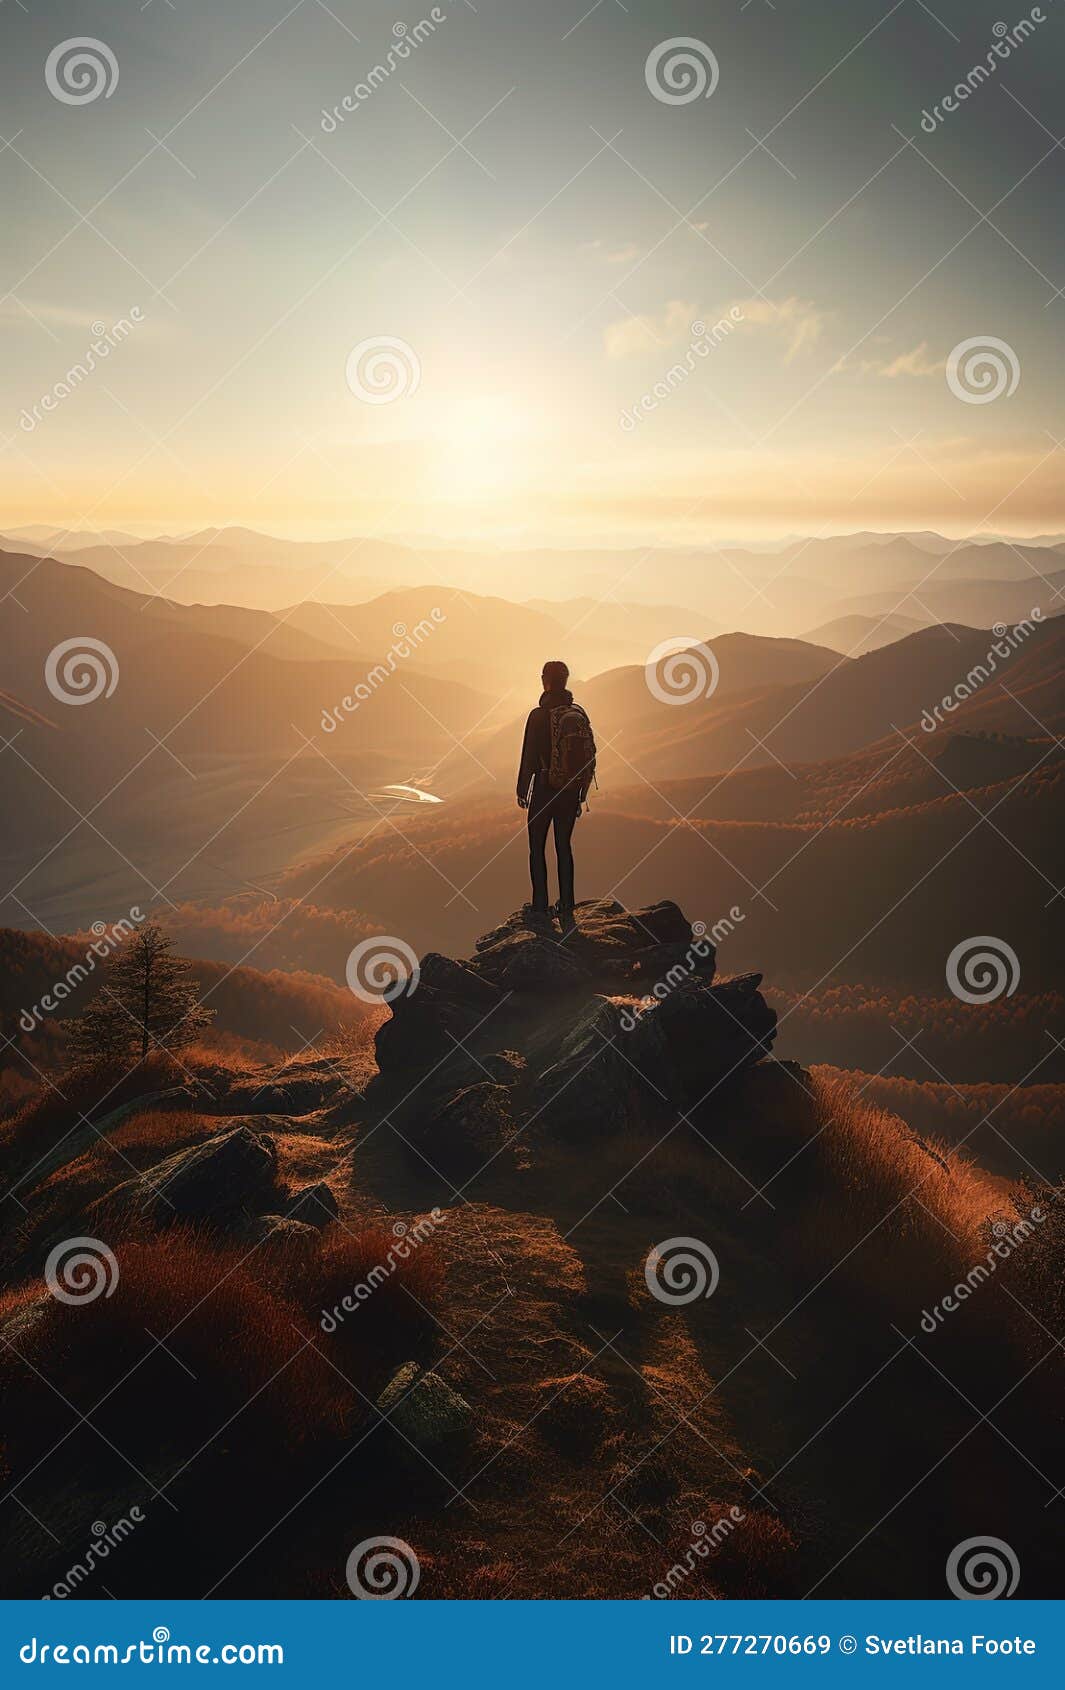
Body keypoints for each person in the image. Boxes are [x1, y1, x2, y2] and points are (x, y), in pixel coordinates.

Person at [516, 660, 595, 931]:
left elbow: (528, 756)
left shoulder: (538, 715)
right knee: (564, 846)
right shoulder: (577, 712)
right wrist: (581, 792)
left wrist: (522, 788)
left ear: (545, 681)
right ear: (566, 679)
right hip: (570, 790)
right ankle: (568, 903)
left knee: (537, 847)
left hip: (544, 788)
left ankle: (540, 905)